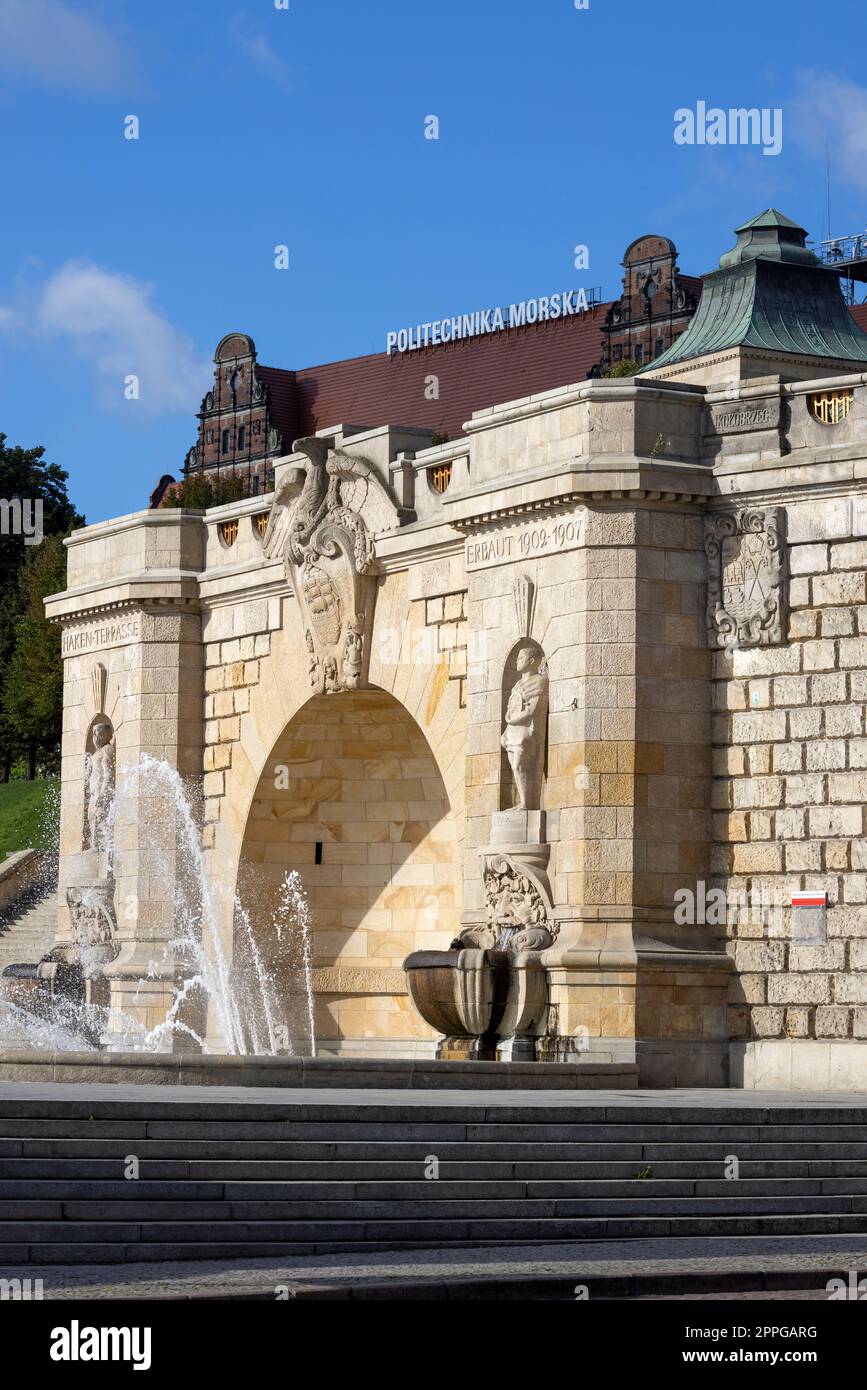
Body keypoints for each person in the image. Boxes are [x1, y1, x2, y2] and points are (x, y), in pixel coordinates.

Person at [500, 645, 548, 809]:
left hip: (527, 731)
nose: (517, 661)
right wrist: (507, 727)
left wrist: (511, 720)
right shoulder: (517, 684)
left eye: (521, 658)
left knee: (519, 765)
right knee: (514, 766)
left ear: (532, 661)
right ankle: (523, 802)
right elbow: (513, 707)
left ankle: (527, 803)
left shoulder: (539, 682)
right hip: (513, 730)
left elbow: (531, 711)